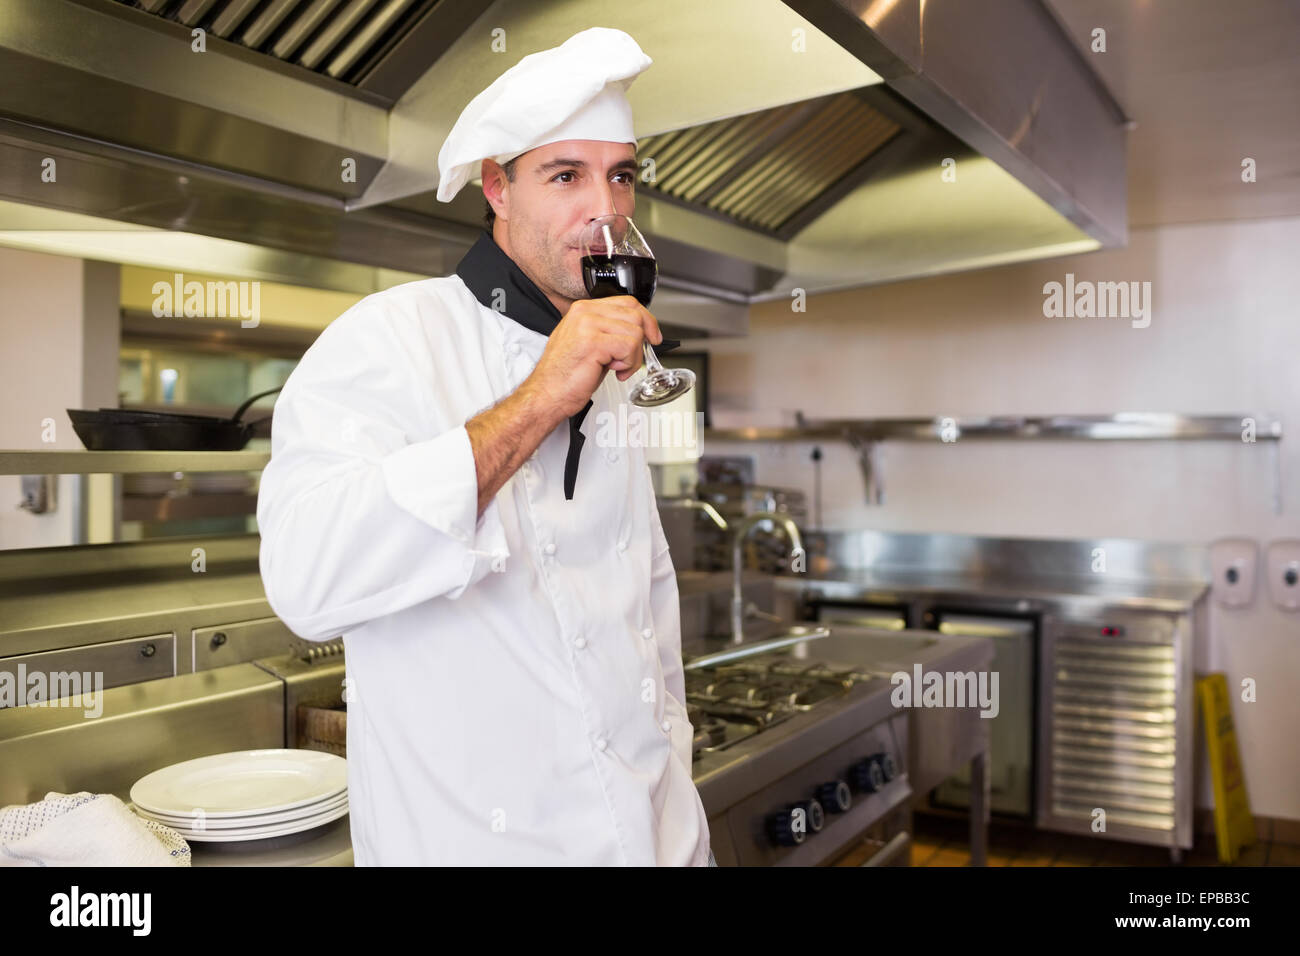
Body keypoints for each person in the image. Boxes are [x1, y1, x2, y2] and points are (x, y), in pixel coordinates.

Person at [257, 27, 714, 866]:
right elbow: (306, 581)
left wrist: (681, 818)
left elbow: (648, 615)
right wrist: (541, 397)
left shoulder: (611, 375)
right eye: (565, 176)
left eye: (621, 176)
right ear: (497, 188)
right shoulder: (389, 337)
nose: (604, 211)